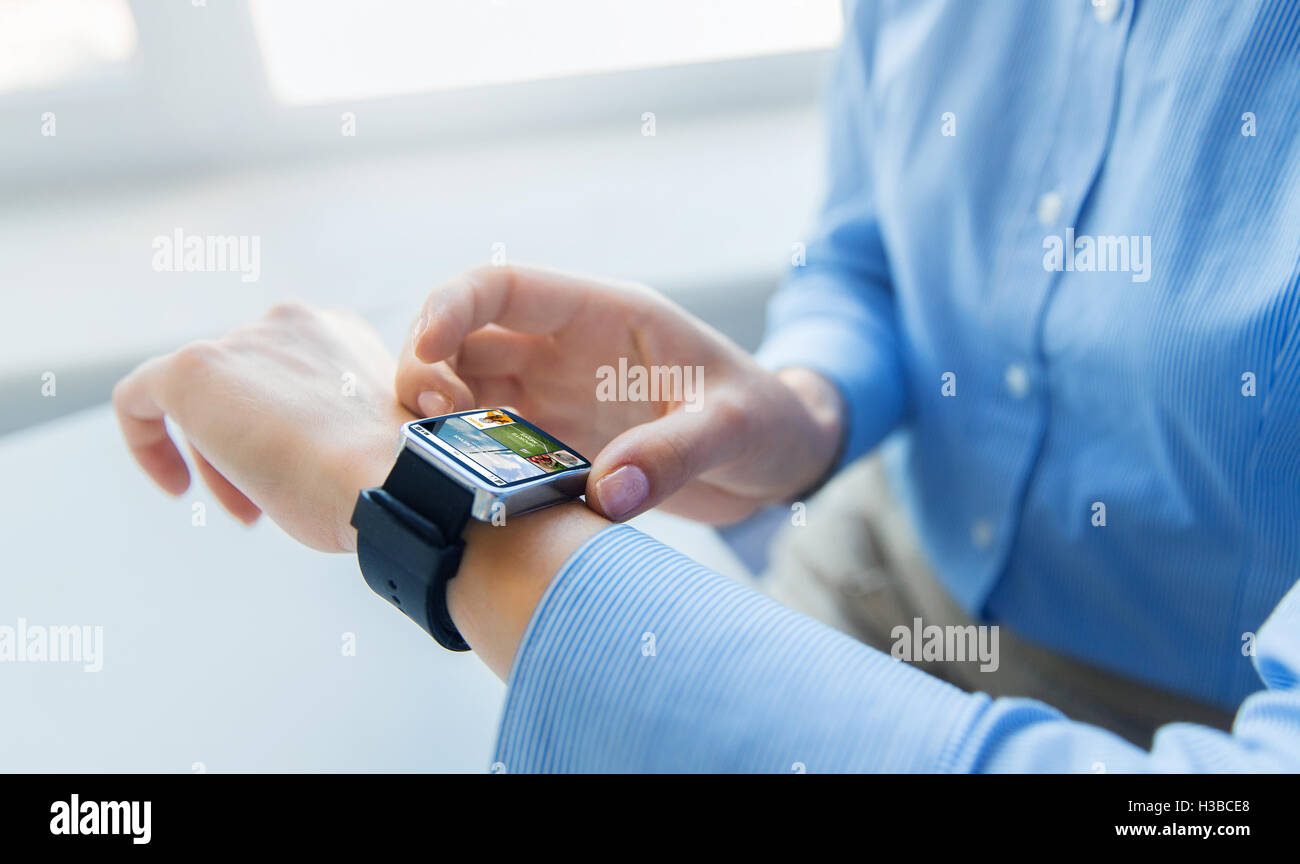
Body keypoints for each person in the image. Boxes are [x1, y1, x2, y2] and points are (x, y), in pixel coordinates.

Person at [113, 0, 1300, 771]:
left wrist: (419, 505)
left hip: (1170, 726)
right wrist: (802, 409)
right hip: (860, 558)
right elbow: (864, 254)